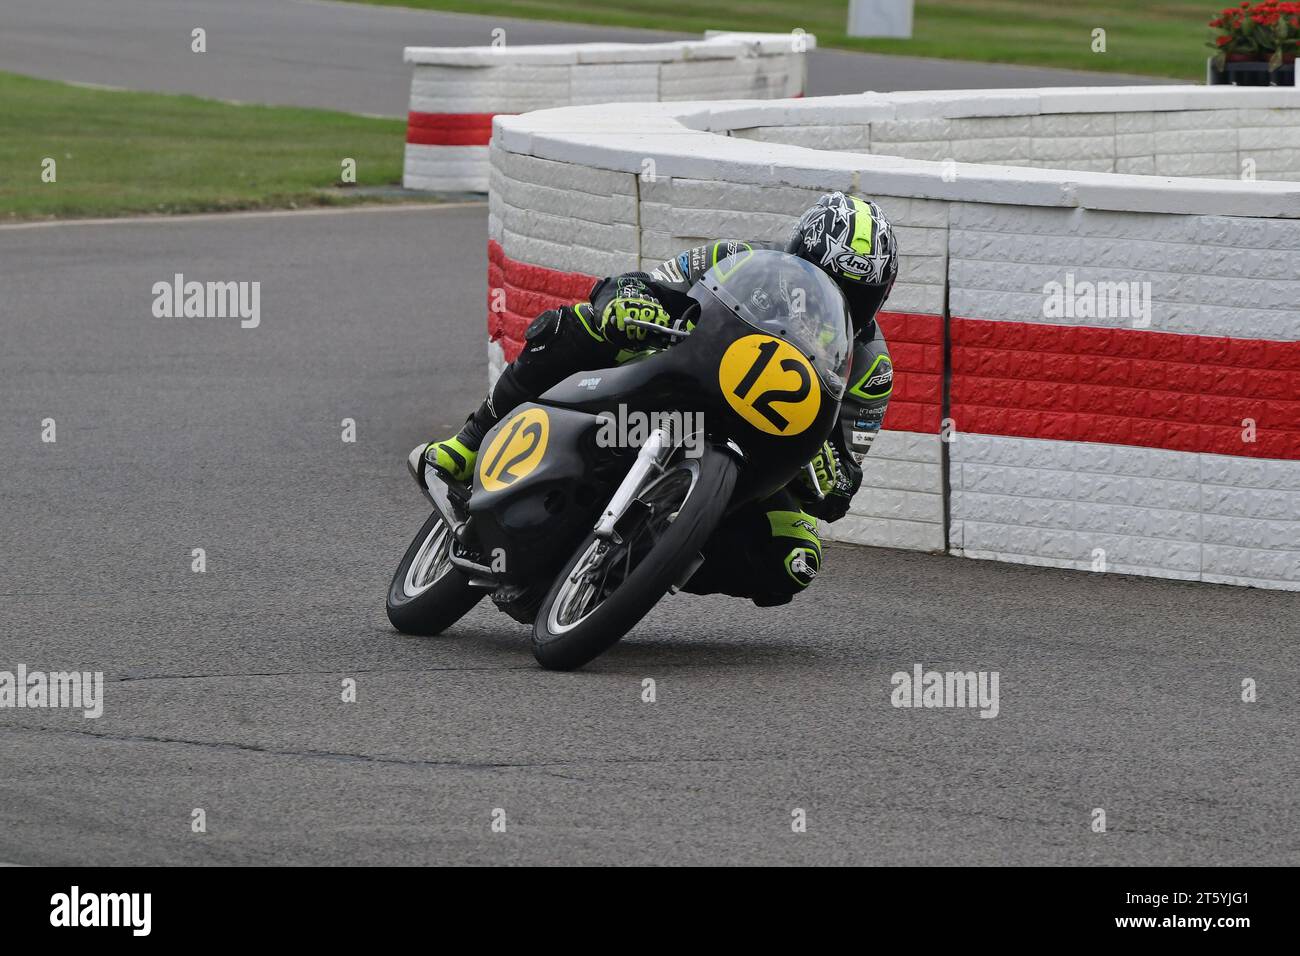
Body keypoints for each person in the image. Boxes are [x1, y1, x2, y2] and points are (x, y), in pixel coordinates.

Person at [417, 192, 899, 606]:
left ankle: (646, 563)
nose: (834, 299)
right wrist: (631, 301)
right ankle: (470, 442)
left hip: (753, 459)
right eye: (824, 278)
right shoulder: (743, 260)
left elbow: (842, 485)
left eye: (855, 296)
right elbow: (639, 282)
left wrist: (834, 474)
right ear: (797, 254)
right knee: (581, 324)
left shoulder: (871, 371)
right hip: (670, 376)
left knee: (795, 558)